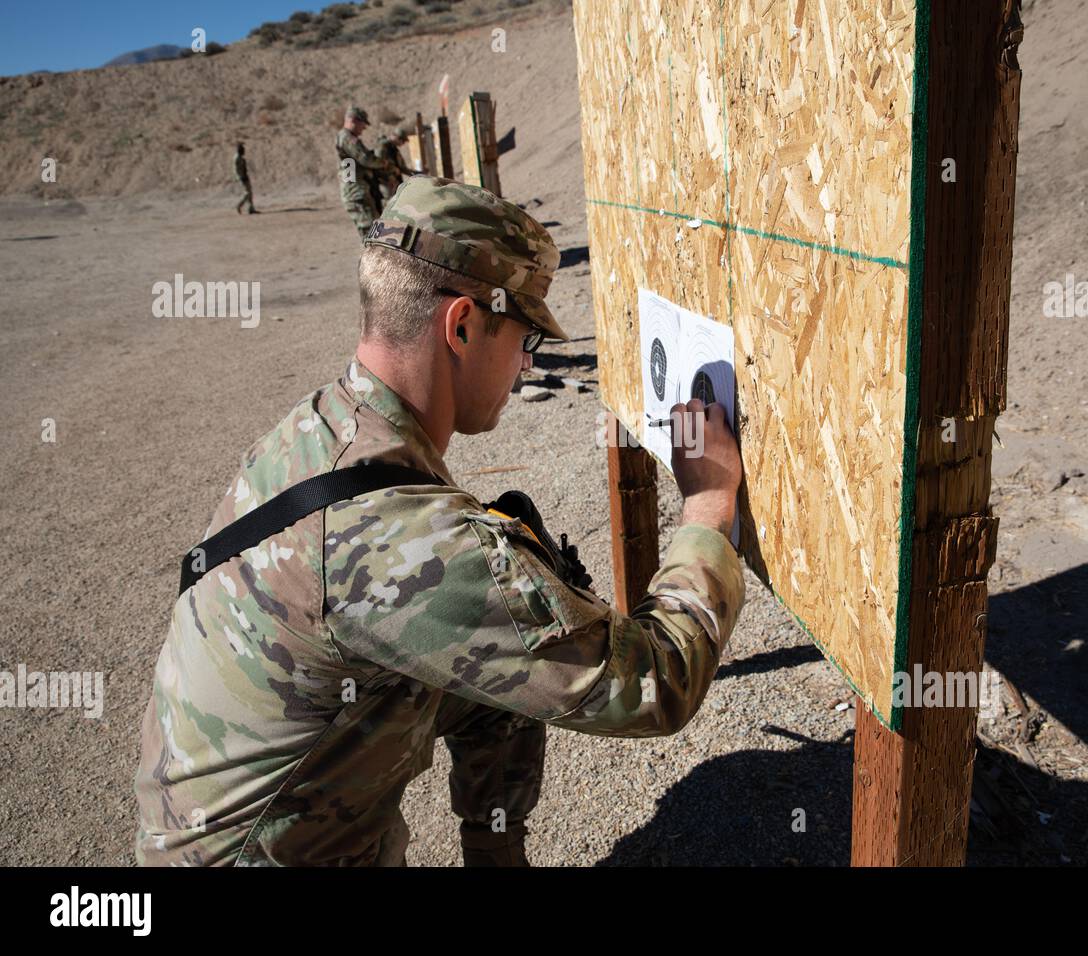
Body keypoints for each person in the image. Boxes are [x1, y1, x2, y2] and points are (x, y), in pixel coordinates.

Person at [133, 176, 746, 867]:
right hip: (257, 855)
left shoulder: (326, 424)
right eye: (524, 341)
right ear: (460, 325)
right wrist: (708, 500)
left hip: (234, 803)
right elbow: (656, 684)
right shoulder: (400, 535)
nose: (523, 365)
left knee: (504, 680)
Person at [334, 105, 391, 241]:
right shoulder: (347, 138)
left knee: (373, 232)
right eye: (363, 124)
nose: (363, 129)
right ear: (354, 120)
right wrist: (384, 163)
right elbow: (366, 159)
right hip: (356, 194)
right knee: (372, 235)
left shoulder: (344, 137)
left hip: (357, 192)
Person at [374, 126, 415, 207]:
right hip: (386, 182)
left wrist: (416, 174)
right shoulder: (382, 147)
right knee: (389, 206)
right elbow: (378, 164)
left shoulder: (393, 149)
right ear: (397, 138)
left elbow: (402, 167)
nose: (402, 144)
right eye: (402, 141)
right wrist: (393, 169)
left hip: (393, 183)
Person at [234, 142, 257, 215]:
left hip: (245, 176)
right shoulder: (237, 158)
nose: (244, 151)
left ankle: (251, 208)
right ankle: (239, 205)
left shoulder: (241, 158)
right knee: (247, 193)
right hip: (242, 177)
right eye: (243, 150)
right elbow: (236, 169)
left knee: (250, 192)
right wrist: (240, 177)